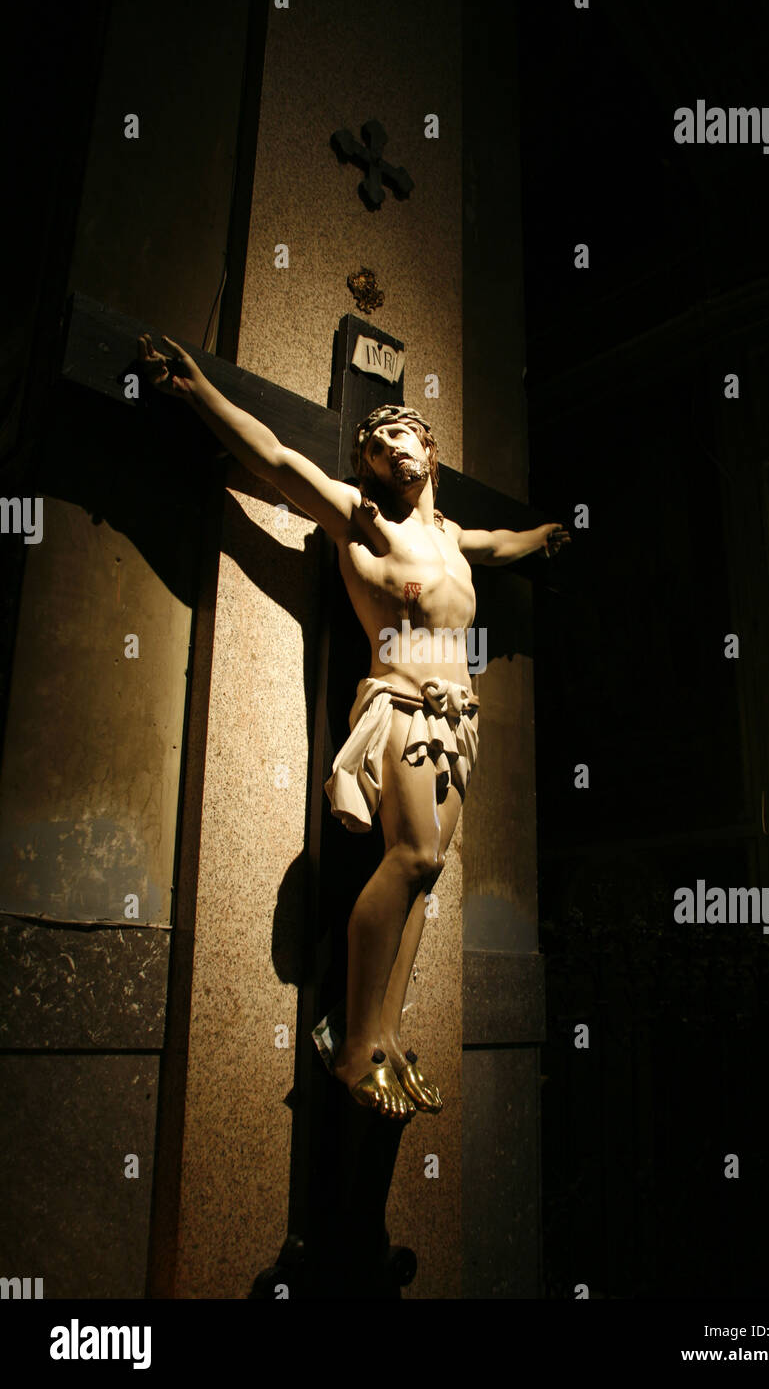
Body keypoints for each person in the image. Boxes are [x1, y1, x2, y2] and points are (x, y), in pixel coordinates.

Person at [138, 332, 570, 1120]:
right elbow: (274, 459)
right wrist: (197, 390)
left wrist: (547, 536)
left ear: (427, 446)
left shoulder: (451, 540)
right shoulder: (365, 521)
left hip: (457, 722)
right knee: (414, 853)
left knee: (429, 873)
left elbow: (505, 543)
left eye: (394, 438)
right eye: (370, 449)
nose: (379, 454)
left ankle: (385, 1036)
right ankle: (350, 1047)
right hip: (400, 705)